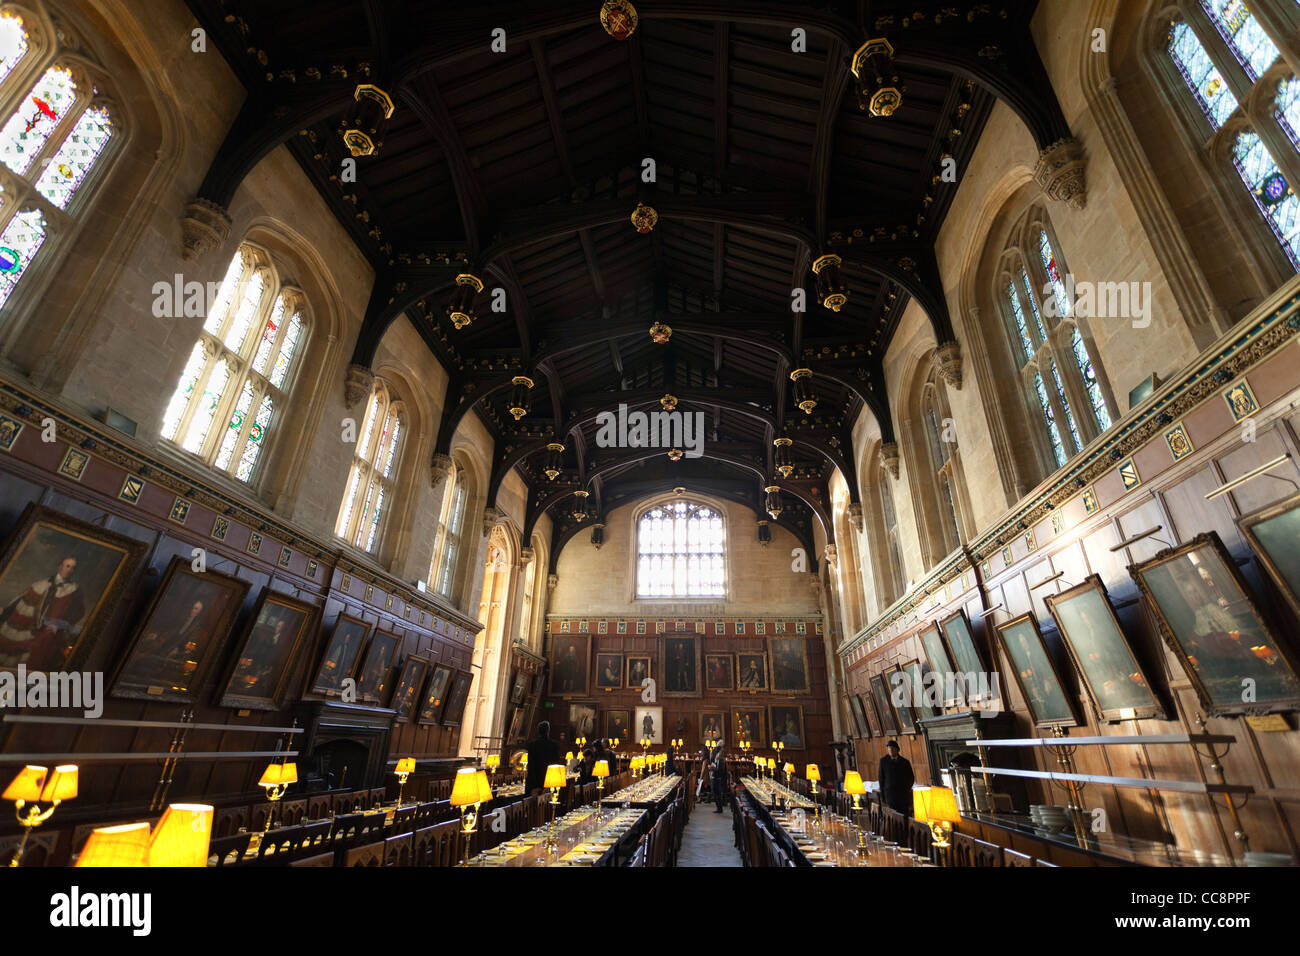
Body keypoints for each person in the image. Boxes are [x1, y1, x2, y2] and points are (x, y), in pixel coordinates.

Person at [0, 556, 86, 669]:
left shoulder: (74, 590)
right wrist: (4, 611)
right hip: (28, 629)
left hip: (49, 632)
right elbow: (21, 601)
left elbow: (77, 613)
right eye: (67, 566)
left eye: (73, 568)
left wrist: (58, 625)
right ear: (60, 566)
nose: (69, 570)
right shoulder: (41, 584)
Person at [878, 740, 915, 817]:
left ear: (897, 750)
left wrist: (906, 789)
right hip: (890, 794)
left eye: (892, 748)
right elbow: (881, 779)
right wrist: (883, 795)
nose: (891, 750)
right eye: (889, 749)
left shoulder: (905, 762)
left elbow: (911, 777)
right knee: (893, 816)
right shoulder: (883, 761)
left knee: (904, 815)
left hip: (903, 795)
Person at [525, 720, 560, 795]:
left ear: (538, 731)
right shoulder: (554, 745)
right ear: (548, 731)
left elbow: (531, 766)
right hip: (549, 781)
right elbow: (555, 765)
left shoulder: (532, 744)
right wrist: (551, 785)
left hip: (534, 782)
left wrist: (534, 786)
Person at [710, 744, 729, 813]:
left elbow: (719, 770)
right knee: (716, 794)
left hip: (717, 779)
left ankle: (719, 808)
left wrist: (712, 768)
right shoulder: (719, 759)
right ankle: (719, 808)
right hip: (717, 778)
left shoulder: (720, 760)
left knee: (717, 794)